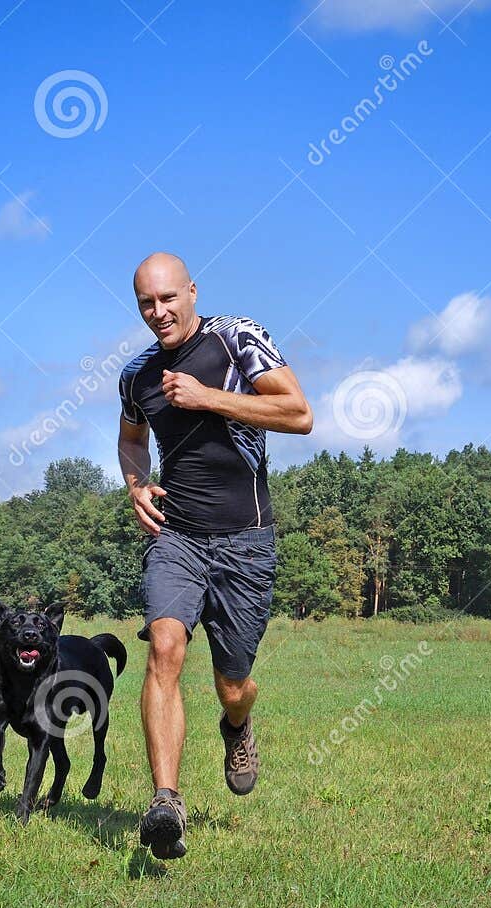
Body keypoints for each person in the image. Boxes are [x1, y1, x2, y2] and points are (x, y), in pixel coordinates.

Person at [116, 252, 313, 859]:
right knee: (165, 647)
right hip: (177, 537)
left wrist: (208, 398)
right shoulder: (137, 376)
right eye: (147, 303)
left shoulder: (236, 340)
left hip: (246, 541)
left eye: (168, 298)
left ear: (192, 292)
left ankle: (237, 726)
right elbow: (130, 440)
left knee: (233, 684)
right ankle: (166, 803)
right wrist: (135, 483)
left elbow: (299, 414)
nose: (159, 312)